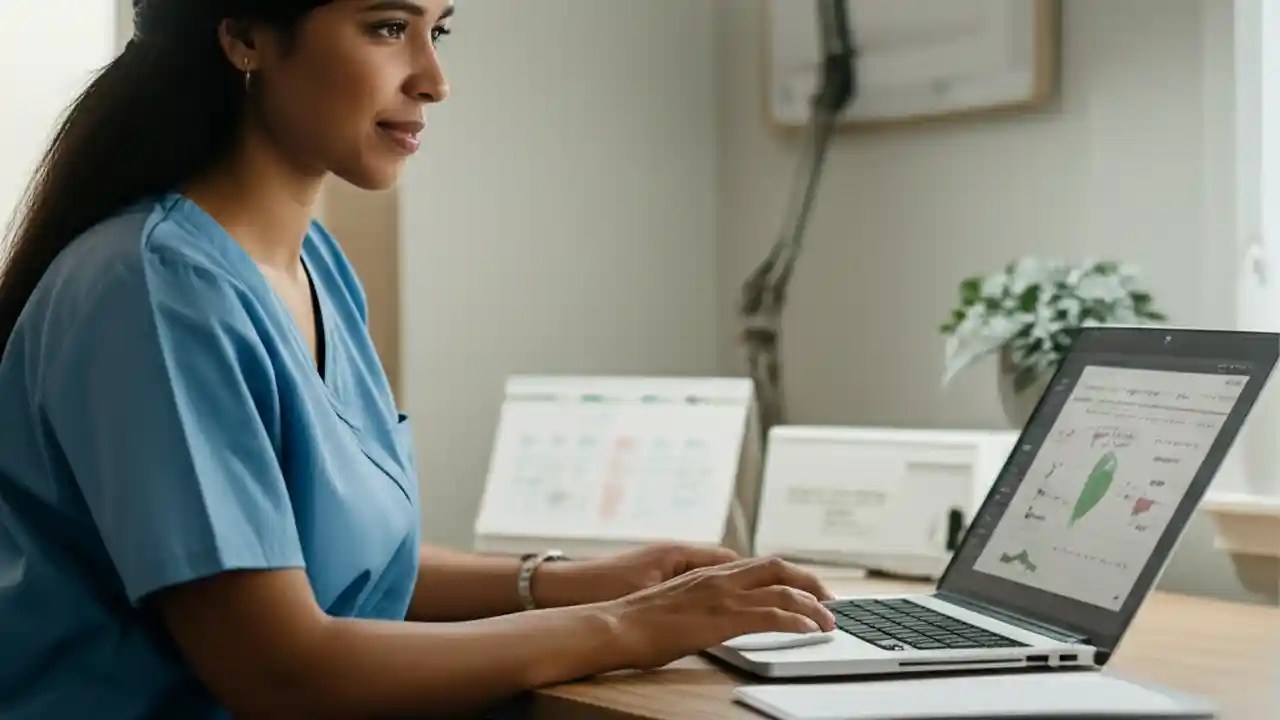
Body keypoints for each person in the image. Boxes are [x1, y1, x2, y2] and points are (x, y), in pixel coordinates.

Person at [0, 1, 837, 717]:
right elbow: (281, 670)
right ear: (245, 37)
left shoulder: (311, 266)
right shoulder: (154, 290)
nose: (434, 79)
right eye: (388, 28)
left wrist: (577, 581)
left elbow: (326, 569)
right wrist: (633, 626)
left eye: (439, 30)